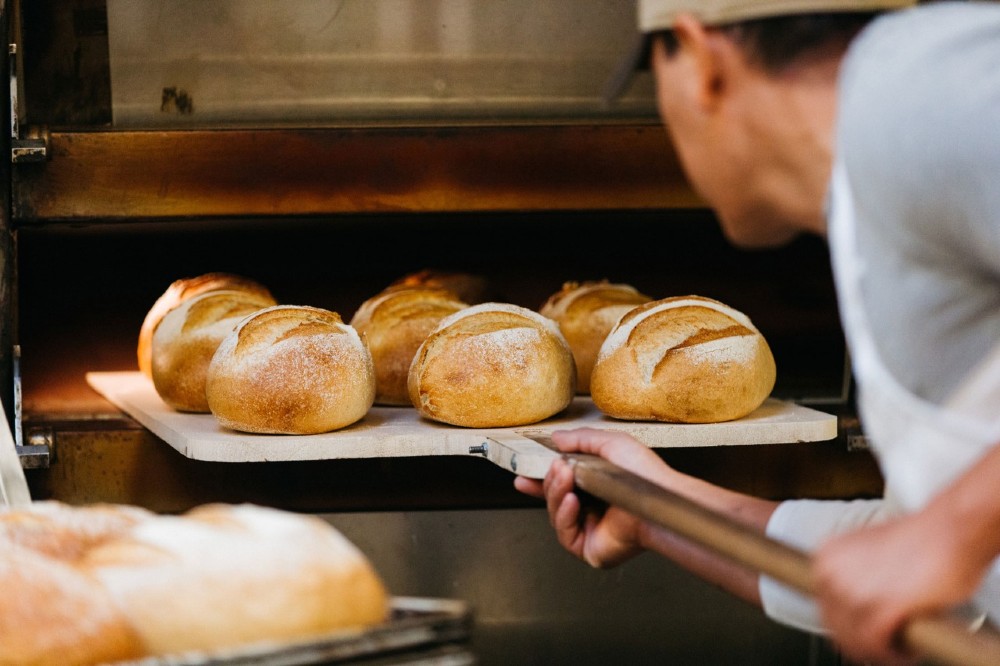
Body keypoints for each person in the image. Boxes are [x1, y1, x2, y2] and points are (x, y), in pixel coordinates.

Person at [514, 1, 1000, 663]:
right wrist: (661, 511)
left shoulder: (914, 91)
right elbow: (910, 560)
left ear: (702, 60)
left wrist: (950, 533)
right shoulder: (876, 190)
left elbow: (941, 544)